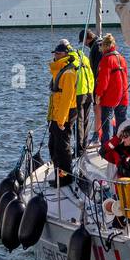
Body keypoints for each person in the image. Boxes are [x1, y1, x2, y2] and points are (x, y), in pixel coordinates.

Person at [47, 39, 80, 187]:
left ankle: (65, 177)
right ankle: (58, 175)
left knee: (62, 149)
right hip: (56, 114)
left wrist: (61, 120)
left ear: (65, 54)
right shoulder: (59, 70)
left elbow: (67, 98)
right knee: (53, 146)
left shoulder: (68, 73)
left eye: (58, 53)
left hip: (64, 115)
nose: (56, 56)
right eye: (55, 53)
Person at [94, 33, 129, 142]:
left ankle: (107, 146)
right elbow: (126, 76)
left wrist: (98, 95)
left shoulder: (106, 59)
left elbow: (103, 80)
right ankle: (121, 144)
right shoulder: (121, 58)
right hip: (123, 95)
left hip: (110, 97)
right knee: (121, 123)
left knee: (106, 122)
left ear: (105, 46)